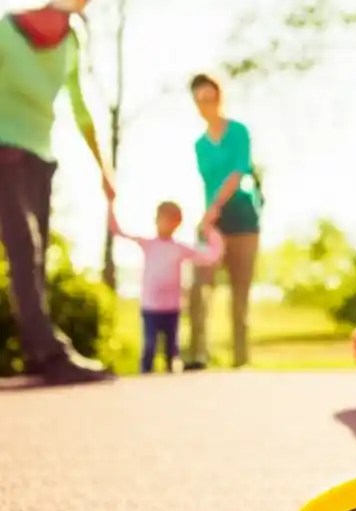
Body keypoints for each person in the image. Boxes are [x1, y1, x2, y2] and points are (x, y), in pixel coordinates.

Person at [0, 0, 116, 384]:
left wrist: (104, 169)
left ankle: (37, 351)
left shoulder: (73, 37)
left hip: (40, 157)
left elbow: (79, 104)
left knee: (34, 258)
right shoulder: (5, 30)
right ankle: (49, 352)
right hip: (4, 152)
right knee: (24, 247)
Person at [186, 73, 263, 370]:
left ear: (220, 98)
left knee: (240, 294)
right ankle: (196, 354)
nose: (207, 104)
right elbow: (208, 182)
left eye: (211, 97)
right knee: (199, 288)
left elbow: (237, 172)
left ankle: (241, 361)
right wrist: (209, 215)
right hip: (212, 224)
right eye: (200, 100)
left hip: (241, 218)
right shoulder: (200, 144)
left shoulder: (238, 132)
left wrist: (215, 206)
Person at [109, 203, 224, 374]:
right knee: (149, 349)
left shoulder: (179, 248)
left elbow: (212, 256)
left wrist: (209, 229)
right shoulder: (148, 244)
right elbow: (117, 230)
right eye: (164, 218)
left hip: (172, 309)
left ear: (178, 223)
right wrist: (111, 202)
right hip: (150, 308)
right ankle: (145, 379)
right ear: (156, 219)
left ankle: (170, 385)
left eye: (172, 219)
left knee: (171, 352)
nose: (166, 223)